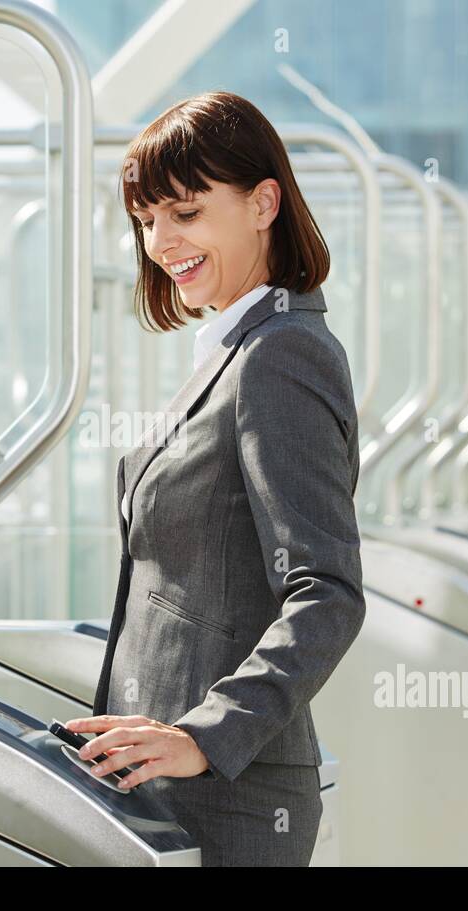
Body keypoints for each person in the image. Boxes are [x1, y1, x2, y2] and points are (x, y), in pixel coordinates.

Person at [66, 91, 367, 866]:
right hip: (162, 786)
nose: (161, 241)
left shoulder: (281, 357)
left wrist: (204, 736)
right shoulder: (234, 351)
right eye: (146, 220)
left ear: (263, 202)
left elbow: (326, 591)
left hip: (225, 800)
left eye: (186, 213)